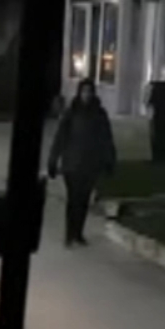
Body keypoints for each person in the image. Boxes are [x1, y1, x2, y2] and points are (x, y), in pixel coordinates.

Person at [47, 79, 117, 247]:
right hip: (72, 164)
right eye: (84, 91)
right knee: (73, 199)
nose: (86, 95)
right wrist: (53, 160)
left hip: (90, 165)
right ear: (79, 93)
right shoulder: (72, 113)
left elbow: (106, 139)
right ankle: (69, 233)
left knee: (84, 200)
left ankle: (78, 232)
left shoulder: (99, 114)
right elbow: (60, 138)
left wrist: (109, 160)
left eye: (89, 91)